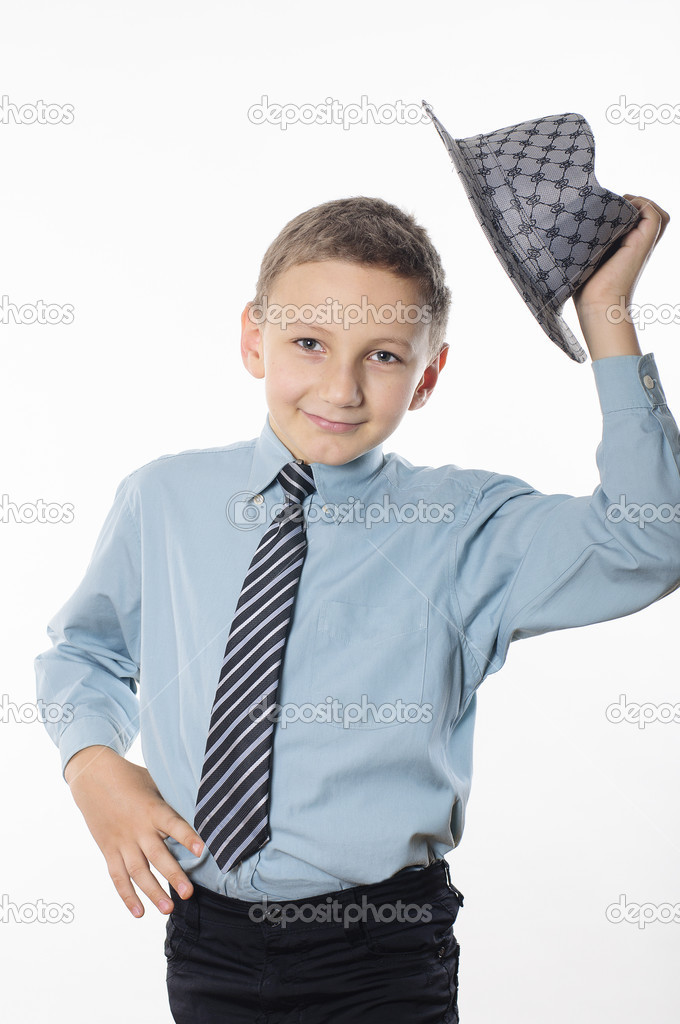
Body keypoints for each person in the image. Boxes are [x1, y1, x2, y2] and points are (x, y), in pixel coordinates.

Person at [35, 193, 679, 1023]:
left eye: (381, 355)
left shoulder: (466, 527)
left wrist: (607, 315)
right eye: (309, 343)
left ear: (428, 377)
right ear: (252, 338)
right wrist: (91, 763)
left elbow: (651, 540)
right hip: (207, 938)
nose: (339, 387)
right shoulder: (163, 498)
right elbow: (82, 652)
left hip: (382, 951)